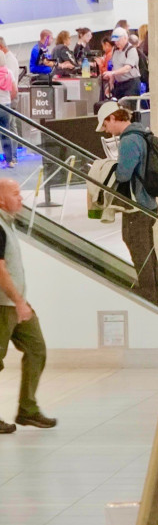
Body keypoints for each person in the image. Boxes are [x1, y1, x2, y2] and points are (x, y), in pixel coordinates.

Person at [0, 179, 54, 431]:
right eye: (15, 193)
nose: (21, 198)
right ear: (1, 200)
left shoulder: (7, 224)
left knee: (36, 348)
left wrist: (20, 302)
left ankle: (27, 410)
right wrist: (19, 301)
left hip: (16, 303)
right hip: (4, 306)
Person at [97, 101, 158, 303]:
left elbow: (124, 174)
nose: (106, 131)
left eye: (106, 125)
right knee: (145, 247)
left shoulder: (129, 140)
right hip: (147, 202)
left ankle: (149, 293)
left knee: (139, 246)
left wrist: (110, 167)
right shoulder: (141, 132)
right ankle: (153, 291)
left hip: (137, 205)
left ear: (113, 118)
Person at [102, 30, 142, 100]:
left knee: (128, 105)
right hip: (119, 84)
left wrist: (112, 73)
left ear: (125, 38)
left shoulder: (131, 50)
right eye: (115, 41)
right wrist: (111, 83)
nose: (116, 43)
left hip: (131, 83)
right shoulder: (115, 50)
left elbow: (127, 68)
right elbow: (114, 67)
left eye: (118, 40)